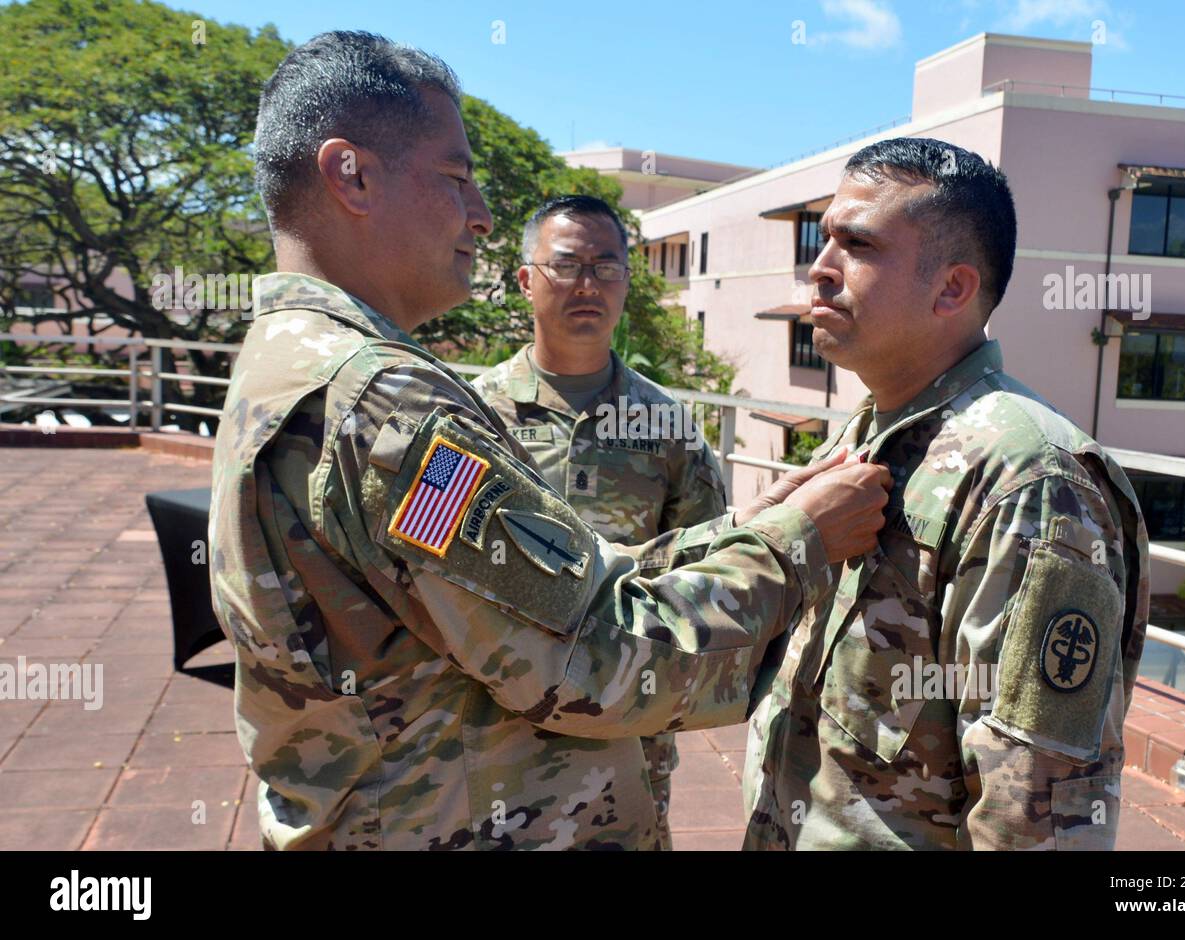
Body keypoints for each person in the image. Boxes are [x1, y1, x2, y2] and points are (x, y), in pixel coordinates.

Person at [209, 30, 891, 850]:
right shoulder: (381, 402)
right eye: (456, 179)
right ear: (351, 174)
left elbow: (562, 586)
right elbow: (585, 655)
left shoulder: (294, 361)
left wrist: (752, 527)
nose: (481, 215)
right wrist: (797, 544)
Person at [742, 138, 1150, 850]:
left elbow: (1034, 814)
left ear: (953, 289)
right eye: (823, 238)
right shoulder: (872, 429)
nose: (820, 268)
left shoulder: (1031, 482)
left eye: (857, 244)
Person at [474, 194, 727, 848]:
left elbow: (708, 577)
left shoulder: (669, 426)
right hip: (494, 725)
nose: (588, 284)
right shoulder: (472, 418)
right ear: (526, 280)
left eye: (607, 267)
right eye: (567, 265)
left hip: (627, 724)